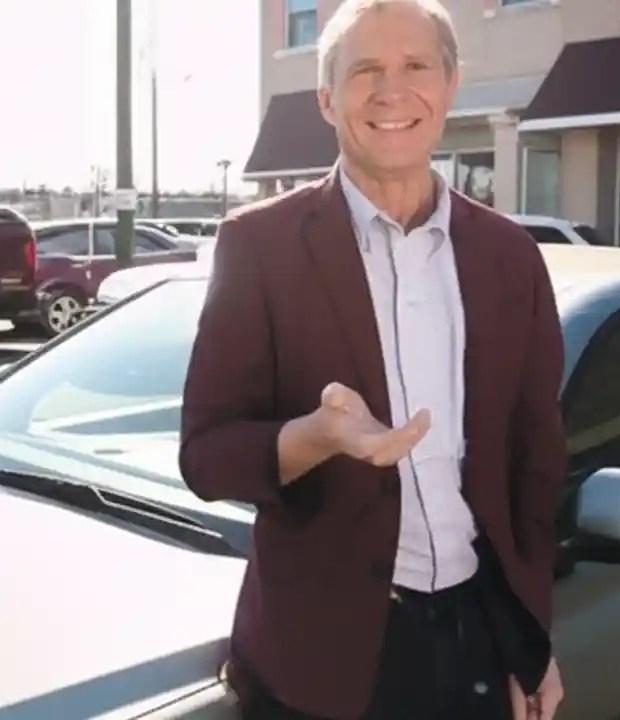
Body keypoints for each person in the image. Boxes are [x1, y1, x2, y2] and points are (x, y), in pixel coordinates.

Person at [178, 1, 567, 718]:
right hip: (322, 664)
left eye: (416, 66)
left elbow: (535, 466)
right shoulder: (260, 249)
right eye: (365, 72)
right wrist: (315, 438)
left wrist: (531, 638)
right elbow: (205, 457)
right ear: (328, 99)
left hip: (480, 634)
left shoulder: (511, 258)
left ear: (450, 86)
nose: (393, 92)